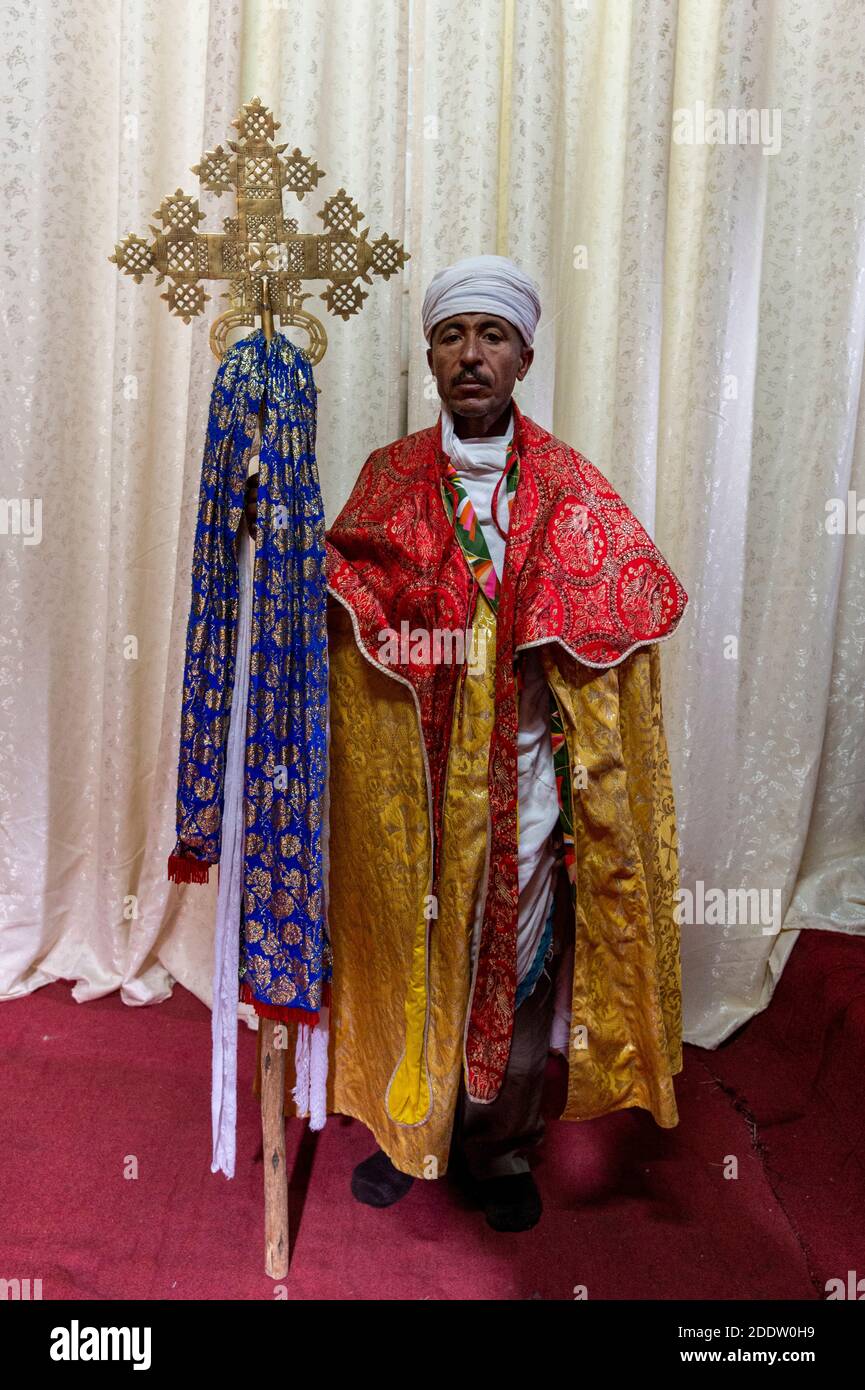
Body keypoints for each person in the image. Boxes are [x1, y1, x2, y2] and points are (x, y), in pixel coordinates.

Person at [245, 254, 688, 1232]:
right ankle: (413, 1134)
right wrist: (270, 525)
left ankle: (499, 1148)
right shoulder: (389, 481)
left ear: (524, 355)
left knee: (520, 987)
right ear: (432, 353)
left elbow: (630, 605)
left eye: (492, 335)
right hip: (411, 794)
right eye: (452, 334)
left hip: (523, 795)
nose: (471, 353)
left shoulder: (570, 486)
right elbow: (328, 595)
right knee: (410, 970)